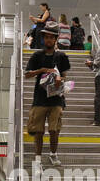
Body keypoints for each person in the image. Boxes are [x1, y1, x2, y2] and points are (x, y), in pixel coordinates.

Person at [25, 21, 70, 168]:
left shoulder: (61, 56)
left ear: (56, 39)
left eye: (52, 37)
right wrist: (42, 70)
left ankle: (53, 154)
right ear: (44, 38)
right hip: (39, 99)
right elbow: (27, 75)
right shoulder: (37, 55)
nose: (49, 40)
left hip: (56, 99)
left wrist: (59, 79)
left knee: (54, 130)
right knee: (38, 131)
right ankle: (37, 160)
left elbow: (64, 75)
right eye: (47, 37)